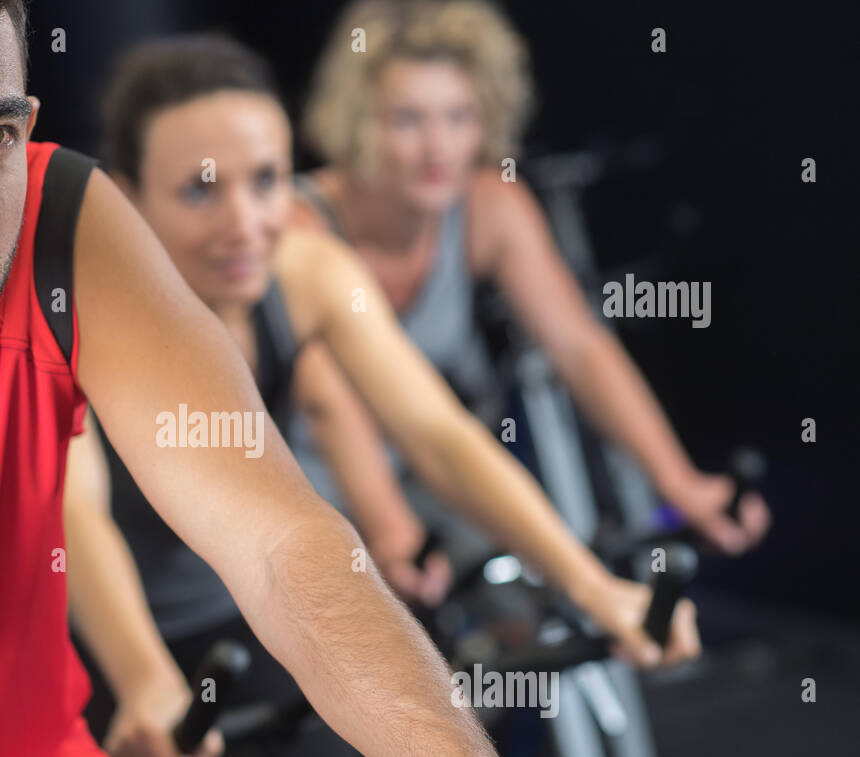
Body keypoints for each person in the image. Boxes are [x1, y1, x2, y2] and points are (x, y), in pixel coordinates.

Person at [62, 35, 697, 757]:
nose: (245, 222)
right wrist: (144, 676)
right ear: (129, 206)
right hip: (122, 645)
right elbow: (75, 515)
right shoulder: (87, 313)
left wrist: (589, 584)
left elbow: (440, 437)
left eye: (265, 182)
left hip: (261, 618)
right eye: (199, 192)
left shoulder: (306, 272)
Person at [289, 0, 770, 576]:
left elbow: (579, 347)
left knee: (530, 607)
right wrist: (393, 532)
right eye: (408, 120)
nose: (438, 147)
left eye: (459, 116)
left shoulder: (491, 206)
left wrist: (679, 481)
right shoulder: (298, 225)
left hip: (426, 479)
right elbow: (326, 405)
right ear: (360, 122)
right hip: (304, 492)